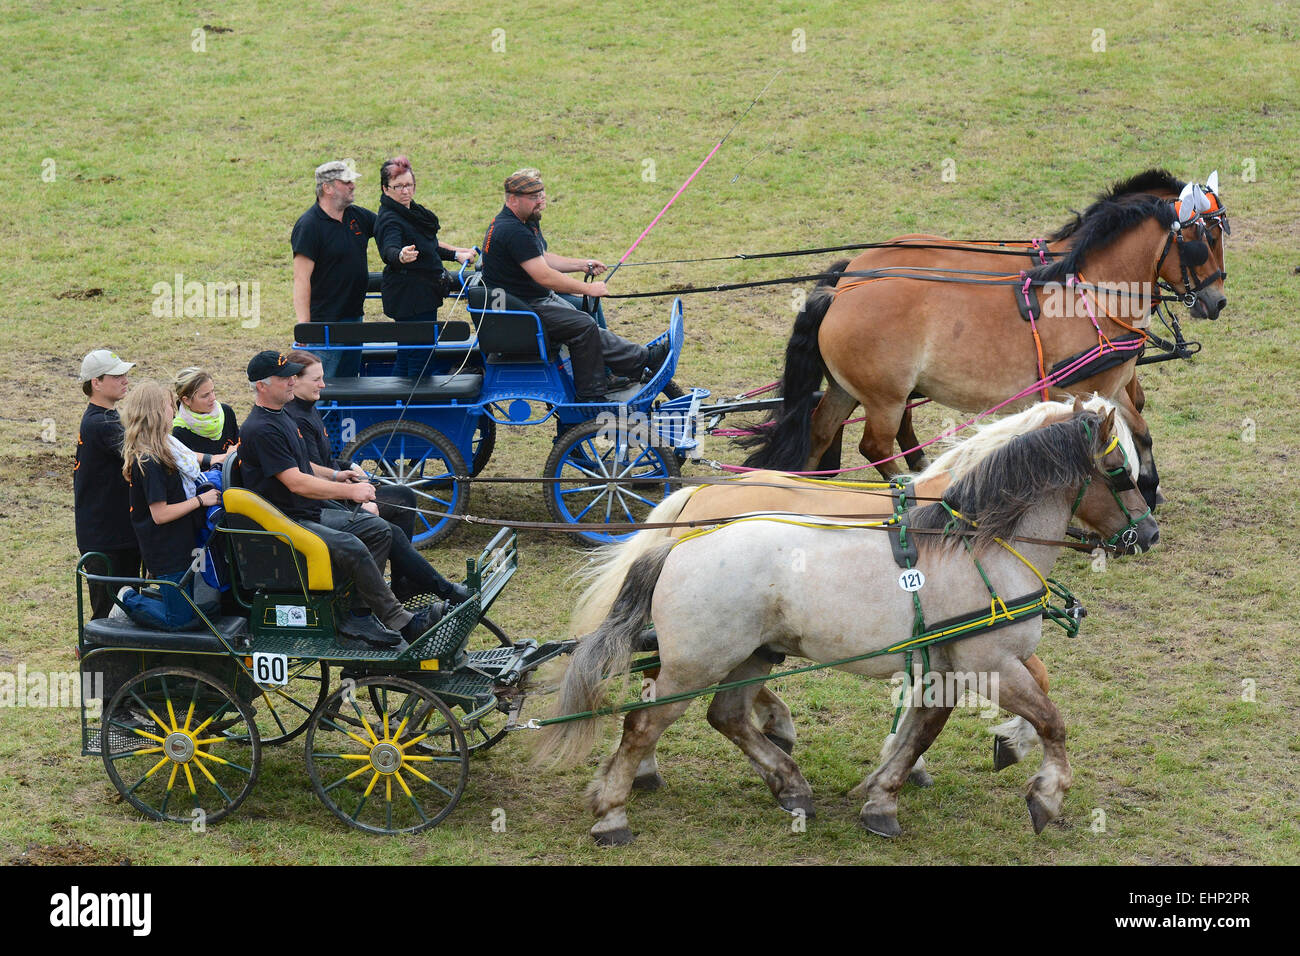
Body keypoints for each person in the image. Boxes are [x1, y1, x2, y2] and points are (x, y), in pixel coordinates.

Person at [237, 350, 442, 648]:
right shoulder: (261, 428)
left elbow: (305, 468)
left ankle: (360, 615)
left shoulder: (281, 417)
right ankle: (402, 622)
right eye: (285, 378)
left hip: (305, 512)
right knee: (352, 543)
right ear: (262, 386)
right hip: (285, 521)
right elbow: (296, 482)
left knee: (378, 530)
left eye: (294, 374)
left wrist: (339, 475)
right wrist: (350, 492)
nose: (293, 381)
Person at [283, 348, 469, 603]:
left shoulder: (308, 409)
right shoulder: (294, 418)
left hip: (335, 491)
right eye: (316, 379)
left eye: (322, 377)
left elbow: (323, 461)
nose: (323, 384)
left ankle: (404, 583)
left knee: (403, 497)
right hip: (324, 502)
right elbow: (309, 474)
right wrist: (354, 496)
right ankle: (442, 589)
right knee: (389, 529)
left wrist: (350, 466)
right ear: (295, 380)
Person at [480, 168, 669, 401]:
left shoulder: (522, 221)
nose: (541, 202)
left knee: (584, 319)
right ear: (512, 200)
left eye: (542, 195)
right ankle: (592, 394)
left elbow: (541, 257)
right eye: (533, 198)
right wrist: (589, 288)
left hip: (529, 300)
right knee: (583, 326)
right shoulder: (511, 230)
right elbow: (544, 276)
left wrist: (582, 264)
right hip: (523, 308)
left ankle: (635, 361)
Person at [115, 382, 221, 629]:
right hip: (166, 550)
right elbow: (160, 514)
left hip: (181, 543)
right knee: (179, 621)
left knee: (194, 613)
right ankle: (127, 599)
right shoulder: (149, 460)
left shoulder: (166, 449)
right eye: (168, 406)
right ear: (155, 412)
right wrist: (199, 501)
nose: (173, 412)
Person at [374, 155, 477, 377]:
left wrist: (455, 254)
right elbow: (389, 249)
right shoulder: (390, 218)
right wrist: (399, 255)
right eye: (398, 186)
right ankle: (404, 406)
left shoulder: (411, 212)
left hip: (421, 294)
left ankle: (400, 404)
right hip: (409, 297)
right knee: (417, 354)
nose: (405, 191)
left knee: (412, 352)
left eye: (409, 185)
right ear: (385, 189)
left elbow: (427, 245)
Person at [291, 160, 376, 378]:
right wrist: (305, 327)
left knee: (349, 387)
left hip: (354, 319)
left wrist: (452, 252)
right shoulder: (309, 226)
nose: (352, 186)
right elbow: (301, 279)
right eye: (346, 182)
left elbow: (393, 228)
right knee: (317, 389)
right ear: (327, 188)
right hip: (324, 326)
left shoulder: (357, 216)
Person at [74, 349, 142, 619]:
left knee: (125, 605)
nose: (125, 379)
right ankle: (96, 658)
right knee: (108, 612)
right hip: (106, 539)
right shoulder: (101, 423)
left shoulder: (108, 418)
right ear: (96, 383)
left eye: (125, 373)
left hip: (115, 534)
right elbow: (144, 456)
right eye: (116, 376)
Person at [171, 367, 239, 468]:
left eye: (212, 391)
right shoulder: (180, 432)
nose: (213, 398)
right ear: (186, 400)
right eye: (205, 395)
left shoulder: (226, 412)